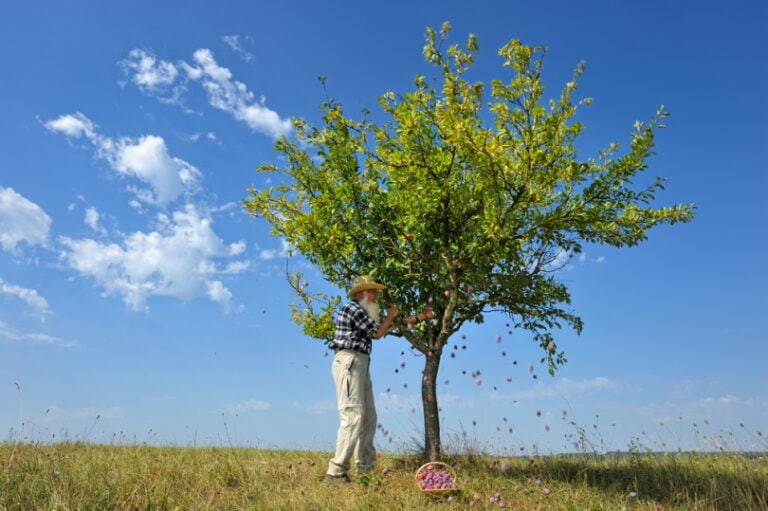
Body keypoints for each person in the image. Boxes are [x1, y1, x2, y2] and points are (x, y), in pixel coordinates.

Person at [325, 275, 432, 483]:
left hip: (360, 364)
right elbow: (378, 333)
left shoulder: (365, 311)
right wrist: (391, 315)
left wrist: (421, 317)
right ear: (362, 293)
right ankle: (336, 472)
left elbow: (391, 324)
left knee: (368, 418)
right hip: (349, 362)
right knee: (352, 416)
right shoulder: (352, 309)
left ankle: (365, 469)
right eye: (373, 292)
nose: (376, 296)